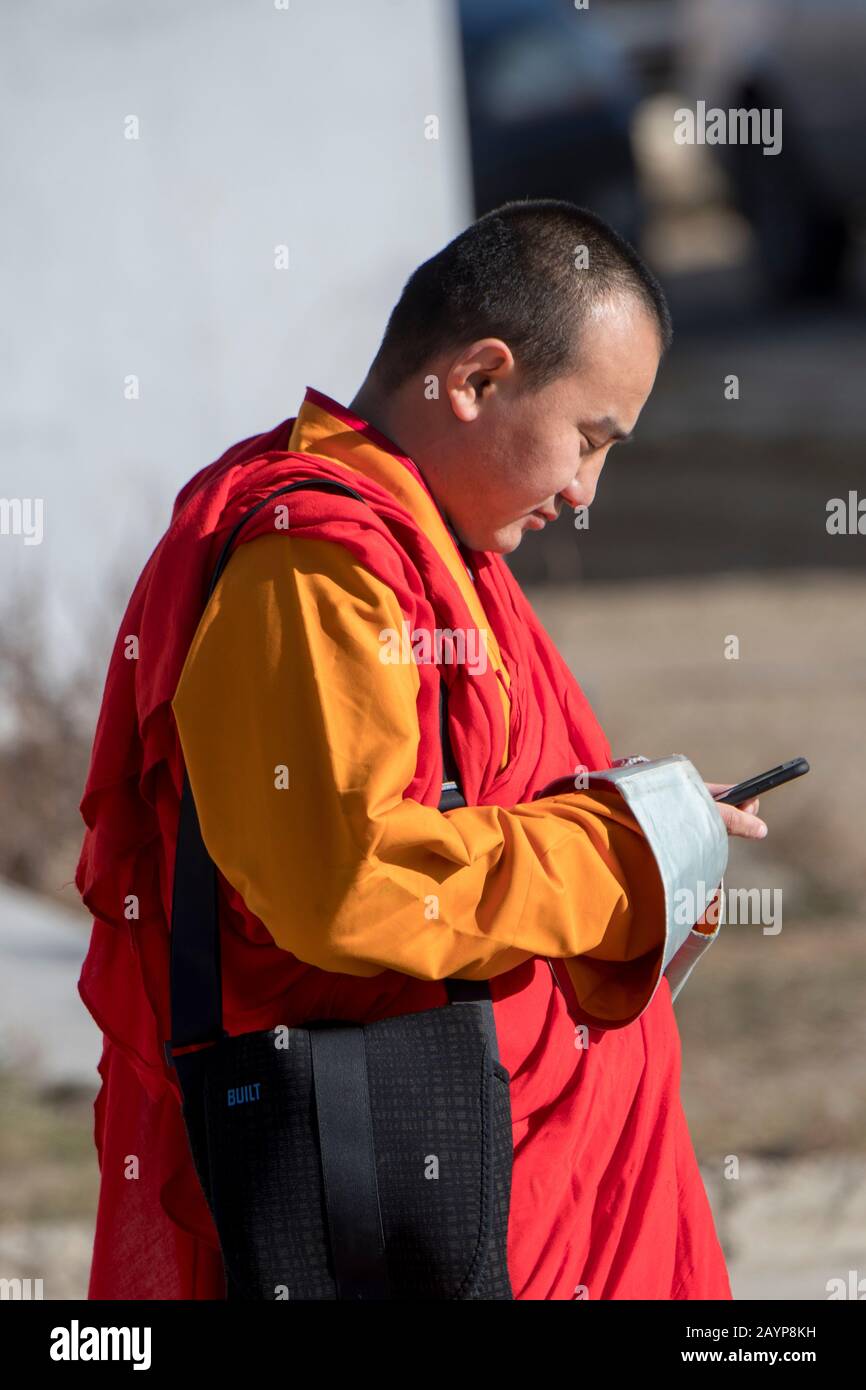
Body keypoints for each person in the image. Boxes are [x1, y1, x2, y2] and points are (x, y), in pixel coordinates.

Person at [75, 198, 766, 1301]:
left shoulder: (430, 540)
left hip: (525, 1165)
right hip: (408, 1170)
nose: (586, 491)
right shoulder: (315, 566)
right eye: (587, 439)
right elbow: (350, 879)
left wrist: (657, 818)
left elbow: (482, 795)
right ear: (477, 378)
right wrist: (616, 853)